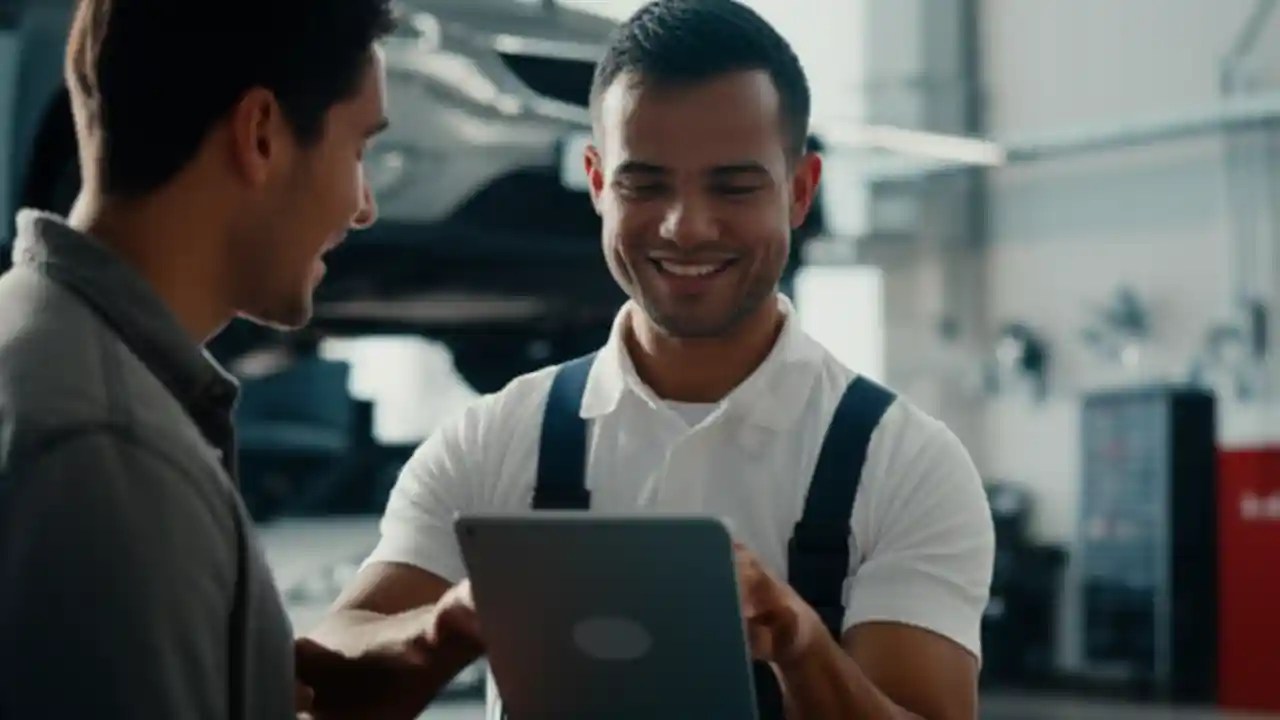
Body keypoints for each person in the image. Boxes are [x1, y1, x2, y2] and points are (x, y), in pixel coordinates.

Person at [309, 0, 995, 718]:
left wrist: (799, 642)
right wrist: (450, 622)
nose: (685, 226)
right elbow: (322, 680)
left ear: (799, 191)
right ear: (597, 183)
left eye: (733, 186)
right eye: (645, 185)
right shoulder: (495, 441)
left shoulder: (904, 465)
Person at [0, 1, 480, 718]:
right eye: (358, 150)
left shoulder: (47, 353)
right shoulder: (109, 453)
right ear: (260, 135)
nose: (363, 207)